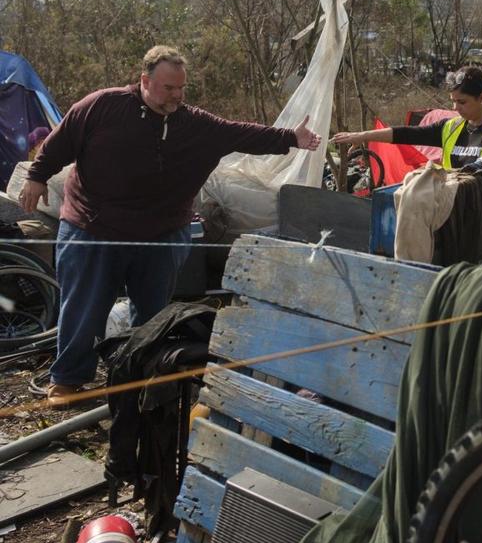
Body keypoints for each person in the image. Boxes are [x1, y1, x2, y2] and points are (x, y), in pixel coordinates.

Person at [19, 45, 321, 406]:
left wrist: (291, 138)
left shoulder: (195, 125)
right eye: (168, 88)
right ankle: (67, 380)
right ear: (145, 80)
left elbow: (242, 134)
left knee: (153, 314)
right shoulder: (102, 106)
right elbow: (59, 142)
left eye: (181, 89)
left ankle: (143, 374)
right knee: (84, 307)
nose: (177, 96)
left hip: (160, 233)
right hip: (93, 227)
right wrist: (37, 177)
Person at [332, 65, 482, 169]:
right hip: (451, 210)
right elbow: (405, 134)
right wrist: (363, 136)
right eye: (453, 101)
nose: (455, 108)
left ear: (481, 98)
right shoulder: (450, 127)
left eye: (462, 102)